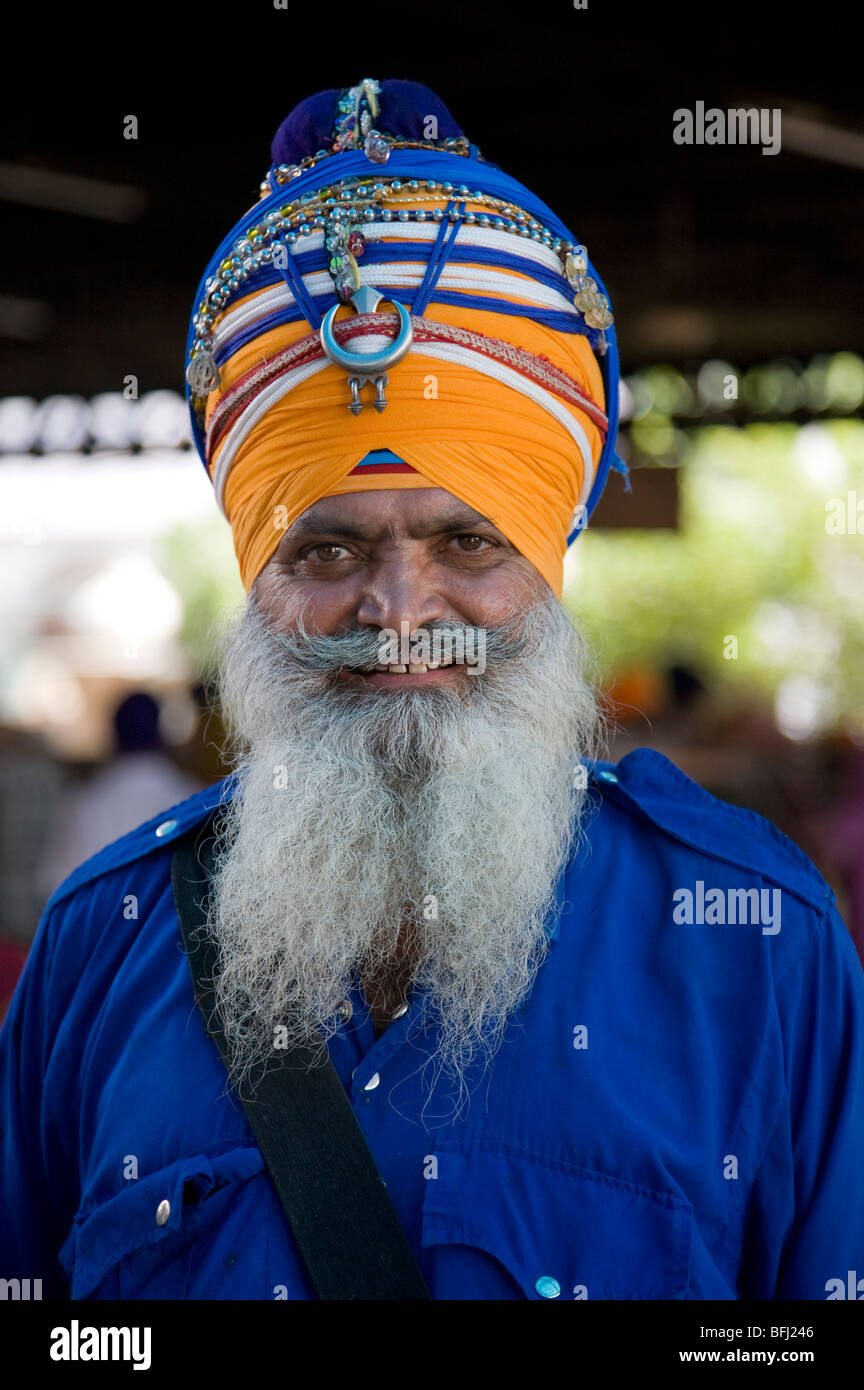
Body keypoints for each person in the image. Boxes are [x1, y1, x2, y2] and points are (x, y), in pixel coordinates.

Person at [1, 78, 862, 1302]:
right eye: (329, 552)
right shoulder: (103, 940)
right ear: (258, 583)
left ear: (548, 572)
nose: (401, 616)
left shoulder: (760, 943)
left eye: (469, 544)